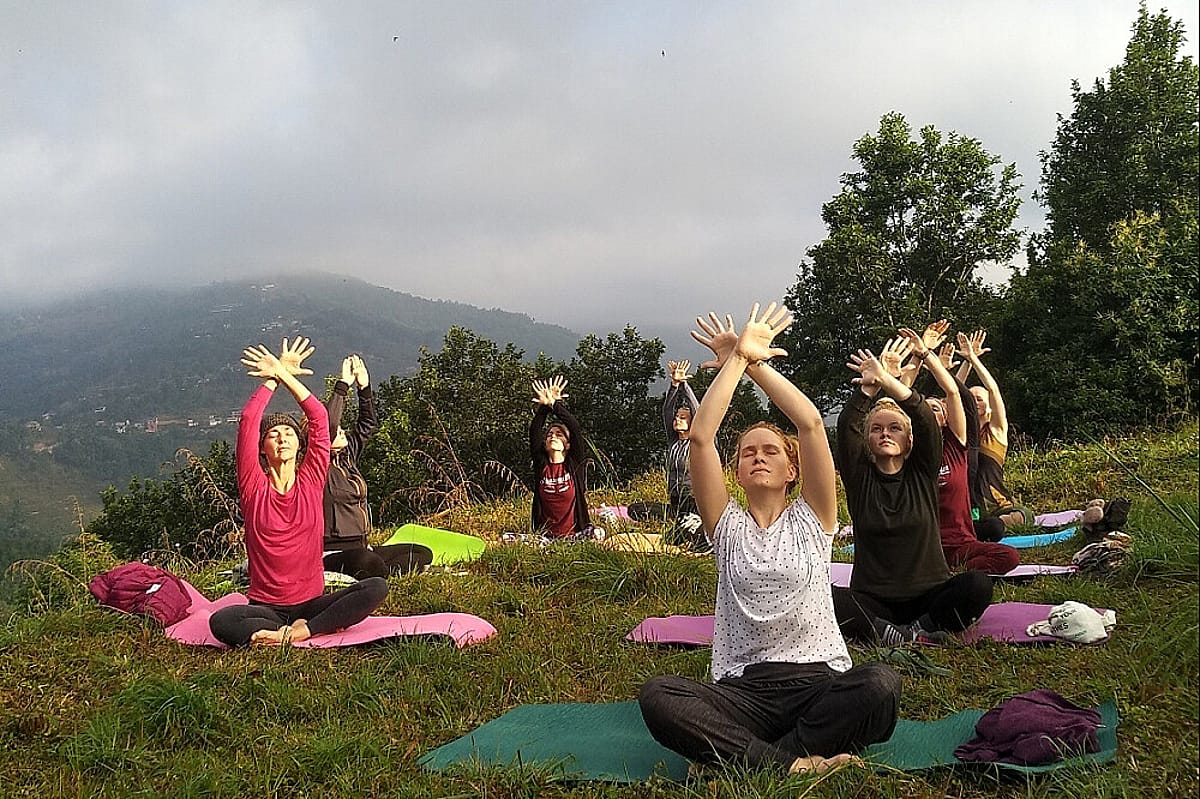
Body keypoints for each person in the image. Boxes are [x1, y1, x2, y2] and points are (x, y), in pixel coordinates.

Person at [639, 305, 900, 775]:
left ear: (791, 469)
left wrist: (756, 363)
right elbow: (701, 438)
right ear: (736, 471)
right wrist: (736, 359)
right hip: (744, 689)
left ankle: (750, 756)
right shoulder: (726, 525)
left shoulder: (813, 519)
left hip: (819, 681)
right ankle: (794, 762)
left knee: (879, 684)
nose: (759, 457)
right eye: (747, 453)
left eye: (771, 451)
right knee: (658, 695)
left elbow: (811, 423)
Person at [209, 338, 388, 647]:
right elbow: (249, 422)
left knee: (375, 587)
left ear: (298, 444)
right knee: (221, 621)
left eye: (289, 433)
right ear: (262, 450)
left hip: (311, 604)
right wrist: (272, 378)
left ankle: (301, 632)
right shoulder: (253, 487)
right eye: (274, 435)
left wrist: (286, 375)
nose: (282, 439)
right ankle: (283, 633)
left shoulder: (311, 480)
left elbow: (319, 419)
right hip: (266, 608)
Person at [831, 342, 993, 646]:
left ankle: (916, 628)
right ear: (867, 440)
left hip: (928, 596)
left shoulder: (922, 472)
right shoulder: (860, 478)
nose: (885, 434)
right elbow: (847, 426)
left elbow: (923, 418)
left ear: (908, 442)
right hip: (874, 600)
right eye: (876, 429)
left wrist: (890, 382)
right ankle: (894, 632)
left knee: (977, 585)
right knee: (824, 596)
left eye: (894, 429)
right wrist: (867, 388)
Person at [890, 327, 1018, 576]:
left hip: (961, 544)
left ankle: (952, 573)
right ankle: (939, 571)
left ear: (947, 417)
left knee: (1008, 555)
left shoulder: (956, 447)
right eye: (924, 409)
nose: (929, 412)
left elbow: (953, 393)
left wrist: (928, 355)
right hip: (925, 546)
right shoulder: (908, 453)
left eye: (935, 409)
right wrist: (915, 359)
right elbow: (898, 405)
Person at [321, 354, 430, 579]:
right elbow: (327, 426)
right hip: (331, 551)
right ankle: (374, 573)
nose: (342, 431)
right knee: (367, 562)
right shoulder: (316, 466)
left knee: (421, 552)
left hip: (362, 546)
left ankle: (377, 571)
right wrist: (343, 386)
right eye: (338, 431)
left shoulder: (346, 457)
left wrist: (365, 388)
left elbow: (367, 424)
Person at [956, 330, 1033, 529]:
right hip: (968, 505)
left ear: (990, 406)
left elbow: (993, 390)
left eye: (979, 399)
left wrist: (974, 359)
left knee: (1023, 515)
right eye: (970, 398)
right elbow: (953, 390)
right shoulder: (960, 433)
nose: (974, 402)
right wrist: (966, 362)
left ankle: (992, 525)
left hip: (998, 505)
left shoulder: (996, 432)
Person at [528, 375, 595, 539]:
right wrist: (543, 407)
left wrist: (555, 404)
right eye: (550, 434)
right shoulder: (541, 465)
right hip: (546, 538)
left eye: (559, 435)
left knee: (598, 533)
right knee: (506, 539)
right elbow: (534, 431)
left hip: (576, 535)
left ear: (568, 444)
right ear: (545, 444)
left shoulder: (574, 464)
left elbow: (574, 427)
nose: (553, 436)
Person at [662, 358, 705, 548]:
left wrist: (684, 385)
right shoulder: (674, 442)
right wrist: (674, 385)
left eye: (682, 418)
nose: (677, 420)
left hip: (693, 497)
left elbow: (697, 411)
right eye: (677, 418)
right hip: (675, 496)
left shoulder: (696, 442)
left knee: (690, 540)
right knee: (673, 541)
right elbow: (667, 411)